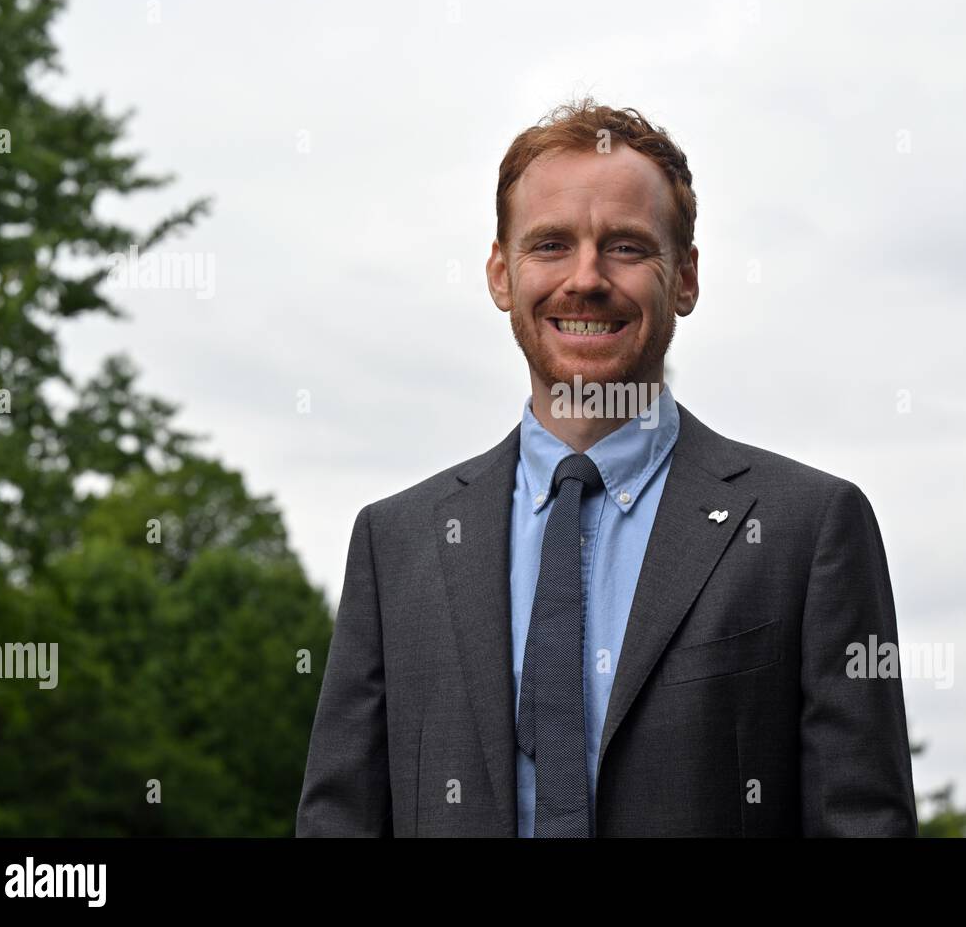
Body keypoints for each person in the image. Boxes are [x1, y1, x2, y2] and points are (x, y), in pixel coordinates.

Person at [295, 98, 918, 837]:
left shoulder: (807, 531)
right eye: (551, 244)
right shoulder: (395, 544)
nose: (585, 278)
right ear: (501, 274)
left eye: (625, 247)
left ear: (685, 278)